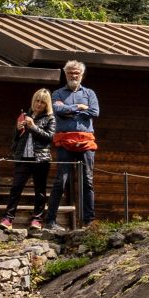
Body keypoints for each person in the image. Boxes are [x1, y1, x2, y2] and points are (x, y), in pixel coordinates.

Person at [50, 59, 100, 229]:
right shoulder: (57, 93)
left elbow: (94, 111)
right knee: (60, 180)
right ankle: (50, 221)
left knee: (87, 180)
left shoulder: (90, 93)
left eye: (76, 73)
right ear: (66, 74)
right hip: (64, 140)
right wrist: (79, 107)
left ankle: (89, 220)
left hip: (85, 141)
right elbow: (58, 110)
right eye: (70, 72)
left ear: (82, 75)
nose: (73, 75)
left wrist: (69, 109)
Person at [0, 88, 54, 229]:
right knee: (16, 188)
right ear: (33, 100)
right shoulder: (24, 115)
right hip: (23, 158)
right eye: (37, 100)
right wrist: (18, 129)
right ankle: (8, 219)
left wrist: (34, 127)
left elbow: (49, 138)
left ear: (47, 104)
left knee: (40, 191)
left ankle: (37, 220)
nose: (39, 104)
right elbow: (15, 139)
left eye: (42, 102)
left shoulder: (50, 118)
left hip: (40, 159)